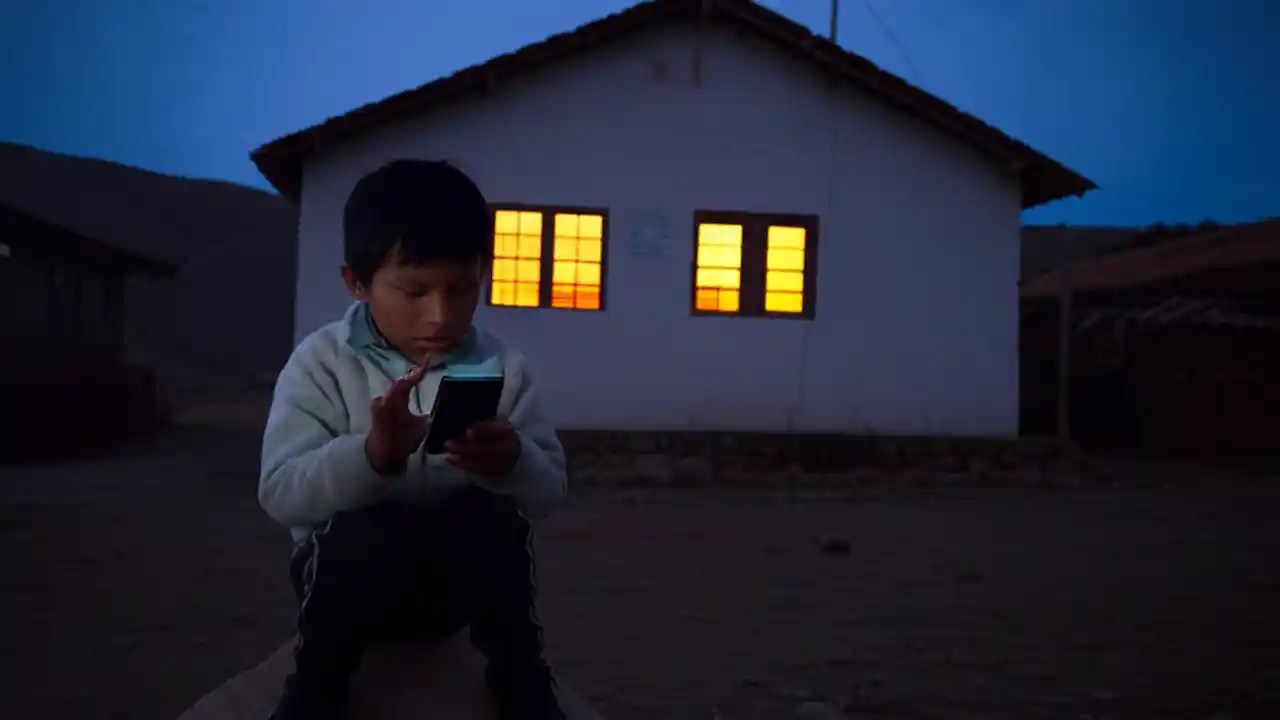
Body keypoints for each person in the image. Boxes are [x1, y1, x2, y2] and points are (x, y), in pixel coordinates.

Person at [257, 159, 569, 720]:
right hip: (345, 594)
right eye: (414, 290)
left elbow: (548, 496)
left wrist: (512, 461)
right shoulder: (322, 364)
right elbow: (279, 491)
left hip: (453, 598)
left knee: (487, 516)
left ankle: (520, 679)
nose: (440, 314)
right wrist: (372, 457)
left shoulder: (503, 367)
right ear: (357, 281)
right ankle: (317, 686)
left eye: (462, 288)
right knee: (365, 527)